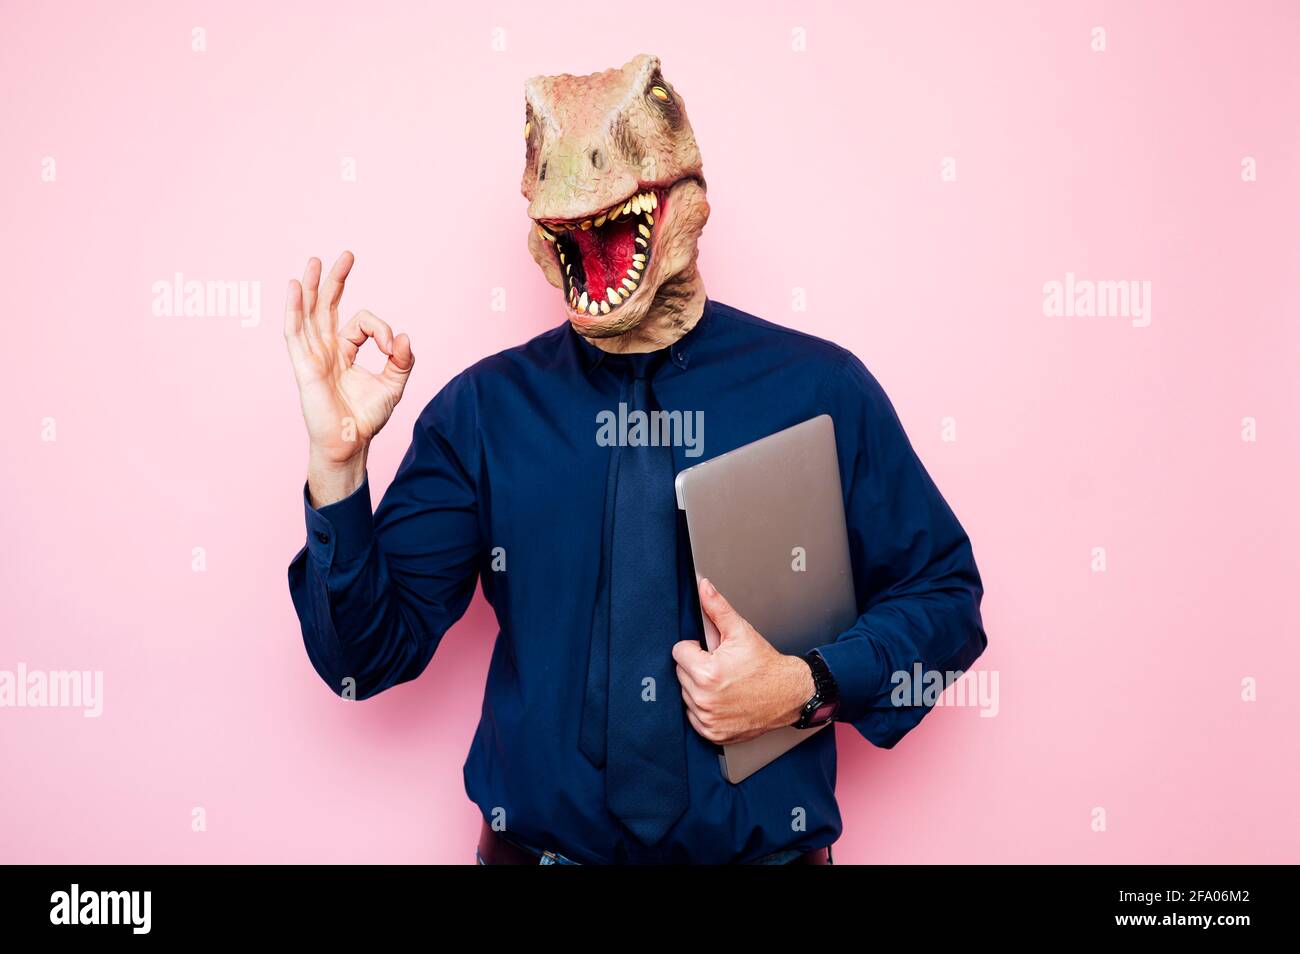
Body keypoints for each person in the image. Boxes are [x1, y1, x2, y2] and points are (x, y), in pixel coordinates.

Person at [284, 54, 986, 865]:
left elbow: (946, 598)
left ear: (690, 197)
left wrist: (807, 685)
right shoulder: (483, 412)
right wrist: (337, 469)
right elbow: (363, 660)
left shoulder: (821, 389)